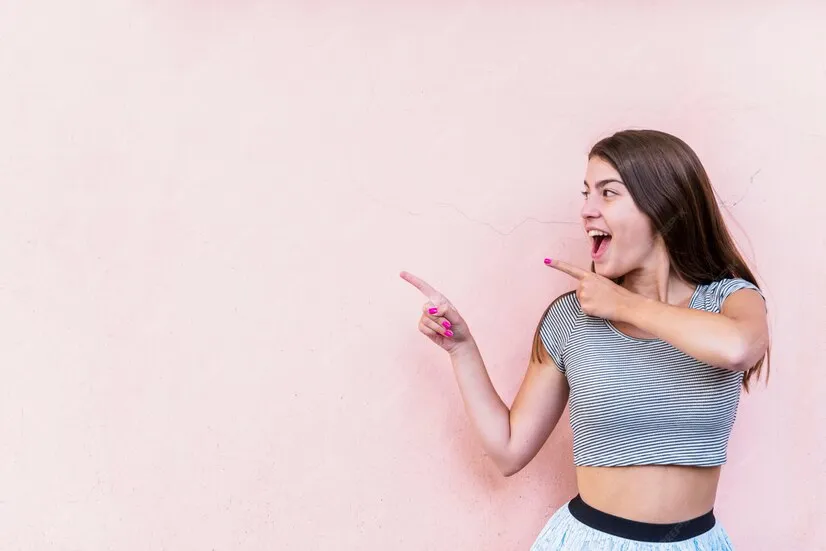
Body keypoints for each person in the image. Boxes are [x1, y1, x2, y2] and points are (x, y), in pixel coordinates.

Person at [400, 129, 770, 550]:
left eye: (608, 193)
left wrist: (623, 305)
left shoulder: (729, 299)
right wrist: (461, 349)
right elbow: (507, 451)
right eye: (586, 193)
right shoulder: (570, 319)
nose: (586, 210)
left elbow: (739, 347)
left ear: (664, 203)